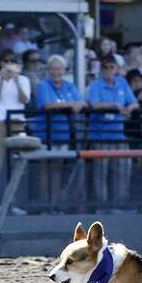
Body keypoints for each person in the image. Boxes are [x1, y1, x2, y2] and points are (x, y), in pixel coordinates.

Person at [85, 55, 137, 207]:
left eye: (111, 67)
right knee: (101, 172)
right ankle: (102, 205)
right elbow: (94, 105)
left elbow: (133, 102)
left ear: (117, 69)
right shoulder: (95, 85)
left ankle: (120, 203)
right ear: (101, 69)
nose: (108, 70)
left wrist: (129, 109)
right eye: (105, 67)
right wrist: (115, 105)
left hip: (118, 134)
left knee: (123, 169)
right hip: (100, 134)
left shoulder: (122, 83)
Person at [0, 50, 31, 216]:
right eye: (6, 61)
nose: (9, 64)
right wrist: (2, 81)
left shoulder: (24, 79)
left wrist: (17, 80)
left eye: (12, 61)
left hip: (17, 123)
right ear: (0, 63)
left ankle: (14, 202)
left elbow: (25, 100)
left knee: (17, 163)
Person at [34, 55, 85, 204]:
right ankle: (44, 202)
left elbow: (81, 102)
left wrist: (75, 104)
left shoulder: (69, 85)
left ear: (64, 70)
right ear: (48, 70)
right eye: (52, 69)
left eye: (58, 68)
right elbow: (47, 104)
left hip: (62, 132)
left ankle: (54, 202)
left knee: (57, 169)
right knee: (45, 169)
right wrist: (69, 105)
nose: (55, 72)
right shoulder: (43, 85)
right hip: (46, 133)